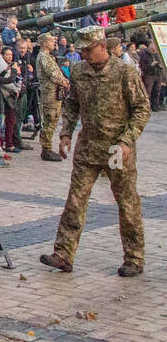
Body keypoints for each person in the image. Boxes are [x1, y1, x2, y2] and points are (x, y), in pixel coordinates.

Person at [40, 26, 150, 277]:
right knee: (75, 200)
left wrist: (126, 141)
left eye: (88, 50)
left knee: (127, 203)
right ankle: (63, 254)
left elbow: (142, 109)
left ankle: (134, 257)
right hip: (88, 148)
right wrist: (65, 132)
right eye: (82, 51)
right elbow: (72, 103)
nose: (85, 55)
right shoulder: (79, 71)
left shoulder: (125, 72)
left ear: (102, 46)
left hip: (116, 150)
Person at [35, 32, 69, 161]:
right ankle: (46, 149)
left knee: (53, 120)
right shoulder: (44, 57)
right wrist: (64, 82)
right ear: (44, 43)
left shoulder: (49, 56)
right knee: (50, 120)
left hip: (54, 92)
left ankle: (47, 147)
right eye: (51, 41)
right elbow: (53, 75)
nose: (53, 43)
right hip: (50, 93)